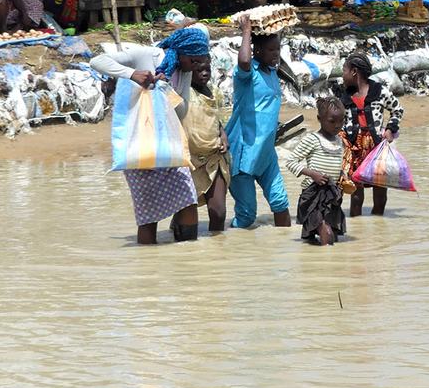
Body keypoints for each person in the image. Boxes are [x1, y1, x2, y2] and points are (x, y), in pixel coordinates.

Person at [91, 26, 209, 244]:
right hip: (141, 145)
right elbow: (97, 62)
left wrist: (164, 90)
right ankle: (148, 266)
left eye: (199, 62)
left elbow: (181, 111)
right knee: (148, 217)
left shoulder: (184, 72)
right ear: (182, 51)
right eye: (193, 61)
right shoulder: (145, 55)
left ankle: (189, 263)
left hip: (169, 146)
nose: (195, 67)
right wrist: (132, 74)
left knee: (189, 200)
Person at [226, 16, 291, 229]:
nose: (276, 54)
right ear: (258, 51)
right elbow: (243, 61)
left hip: (265, 153)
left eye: (277, 49)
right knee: (246, 216)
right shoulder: (247, 73)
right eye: (271, 50)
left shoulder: (271, 72)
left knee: (280, 202)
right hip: (243, 153)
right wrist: (246, 31)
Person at [339, 52, 404, 217]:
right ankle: (356, 221)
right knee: (356, 193)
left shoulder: (379, 91)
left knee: (380, 193)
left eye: (344, 70)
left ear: (354, 72)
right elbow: (339, 120)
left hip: (377, 147)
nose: (342, 75)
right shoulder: (345, 95)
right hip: (354, 148)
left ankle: (378, 223)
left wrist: (390, 129)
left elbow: (397, 110)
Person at [285, 97, 349, 245]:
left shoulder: (339, 141)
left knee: (332, 233)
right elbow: (291, 162)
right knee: (326, 234)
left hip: (332, 192)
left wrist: (341, 174)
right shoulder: (312, 139)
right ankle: (327, 259)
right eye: (332, 121)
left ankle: (323, 263)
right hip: (314, 193)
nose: (337, 126)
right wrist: (313, 174)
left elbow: (334, 163)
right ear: (320, 119)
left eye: (341, 121)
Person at [183, 57, 230, 232]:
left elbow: (218, 120)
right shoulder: (183, 92)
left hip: (214, 157)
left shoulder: (215, 93)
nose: (204, 73)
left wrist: (223, 136)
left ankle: (218, 251)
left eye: (207, 70)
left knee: (218, 211)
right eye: (199, 70)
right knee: (185, 210)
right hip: (188, 160)